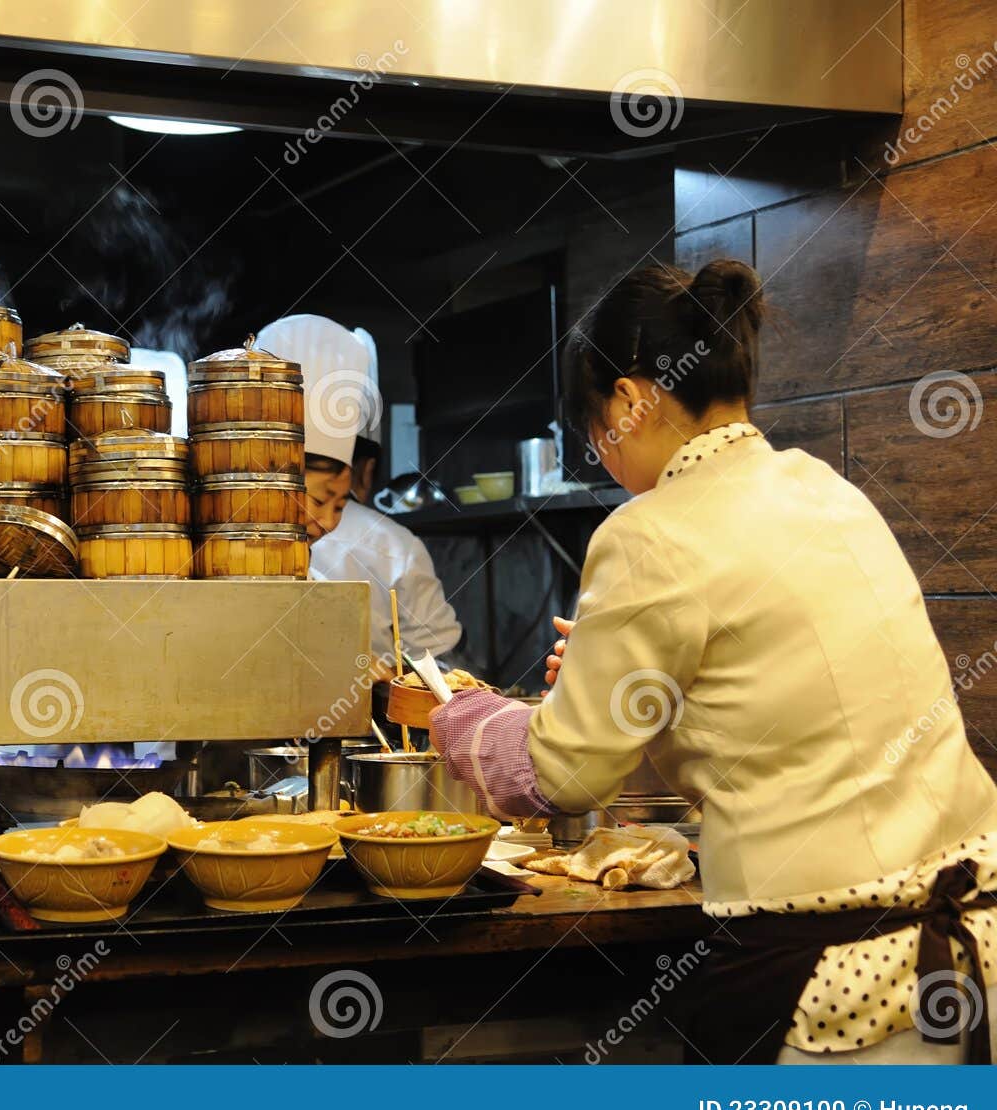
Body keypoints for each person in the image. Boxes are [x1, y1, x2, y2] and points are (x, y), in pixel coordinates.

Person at [427, 259, 997, 1064]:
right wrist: (624, 692)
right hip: (979, 938)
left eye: (594, 428)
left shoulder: (649, 530)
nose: (601, 452)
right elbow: (780, 705)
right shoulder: (826, 488)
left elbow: (565, 774)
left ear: (630, 400)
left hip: (842, 976)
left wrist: (465, 717)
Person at [257, 314, 462, 665]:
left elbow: (440, 662)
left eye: (340, 504)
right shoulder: (230, 554)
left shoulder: (387, 549)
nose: (328, 522)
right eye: (319, 500)